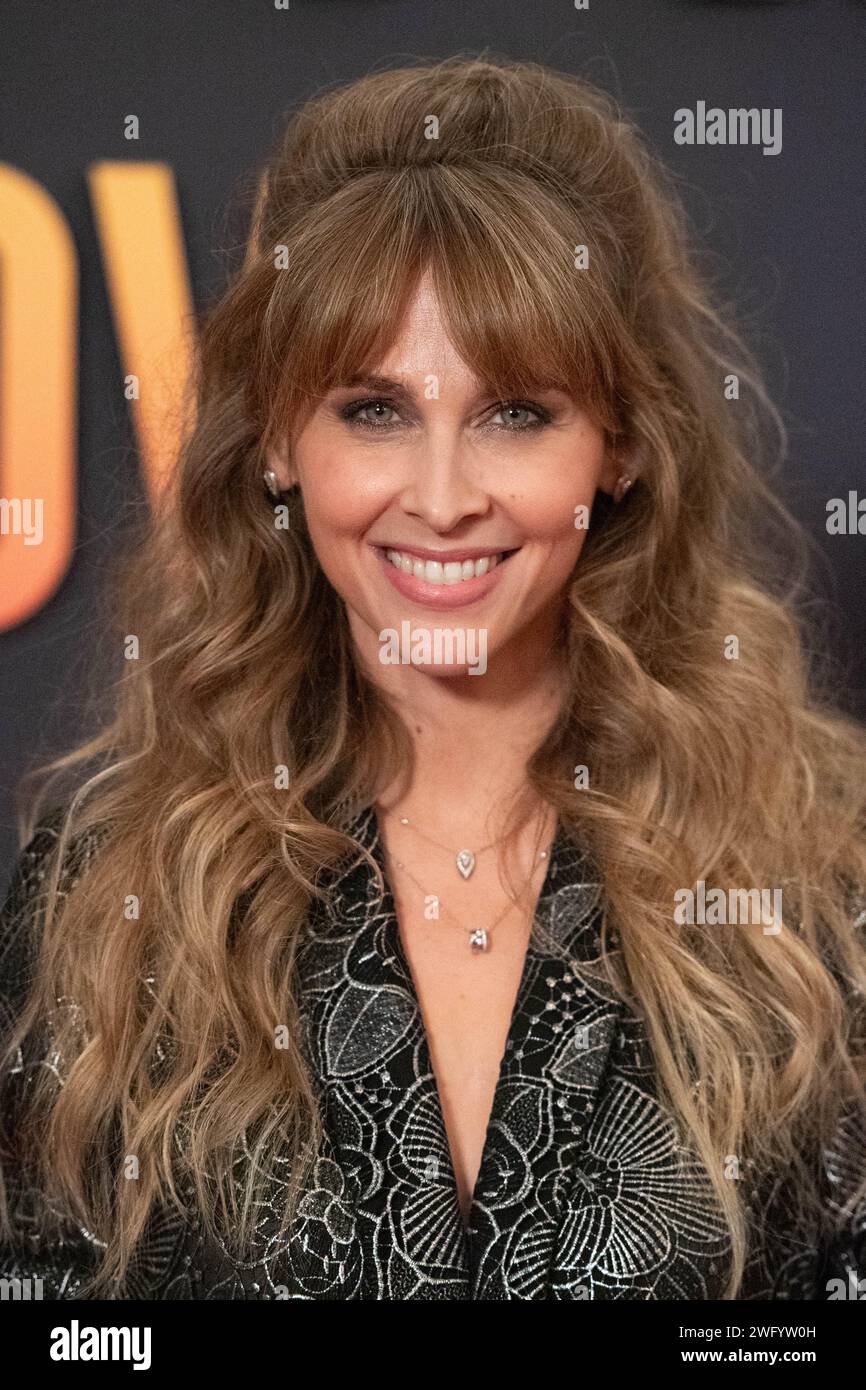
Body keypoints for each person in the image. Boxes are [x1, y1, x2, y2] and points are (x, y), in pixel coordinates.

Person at [1, 54, 865, 1301]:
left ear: (618, 446)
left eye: (516, 412)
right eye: (373, 410)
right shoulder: (104, 891)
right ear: (279, 444)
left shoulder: (824, 884)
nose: (445, 499)